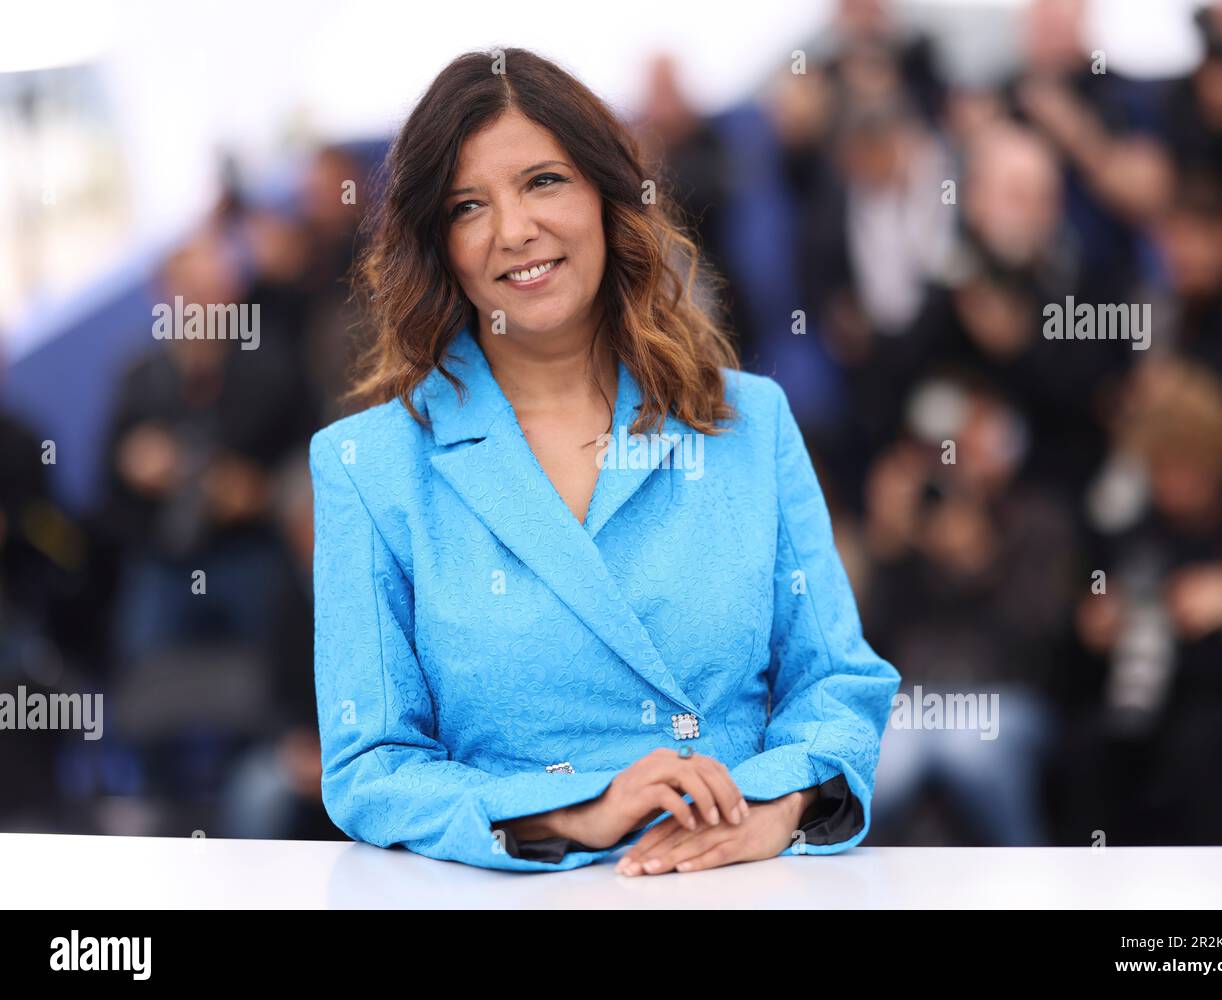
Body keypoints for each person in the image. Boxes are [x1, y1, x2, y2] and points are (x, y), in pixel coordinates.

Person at [309, 48, 900, 874]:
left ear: (606, 195)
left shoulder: (749, 423)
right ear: (437, 242)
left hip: (740, 888)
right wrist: (574, 811)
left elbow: (837, 683)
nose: (514, 231)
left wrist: (777, 801)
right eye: (468, 205)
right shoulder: (366, 467)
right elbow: (371, 766)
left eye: (543, 181)